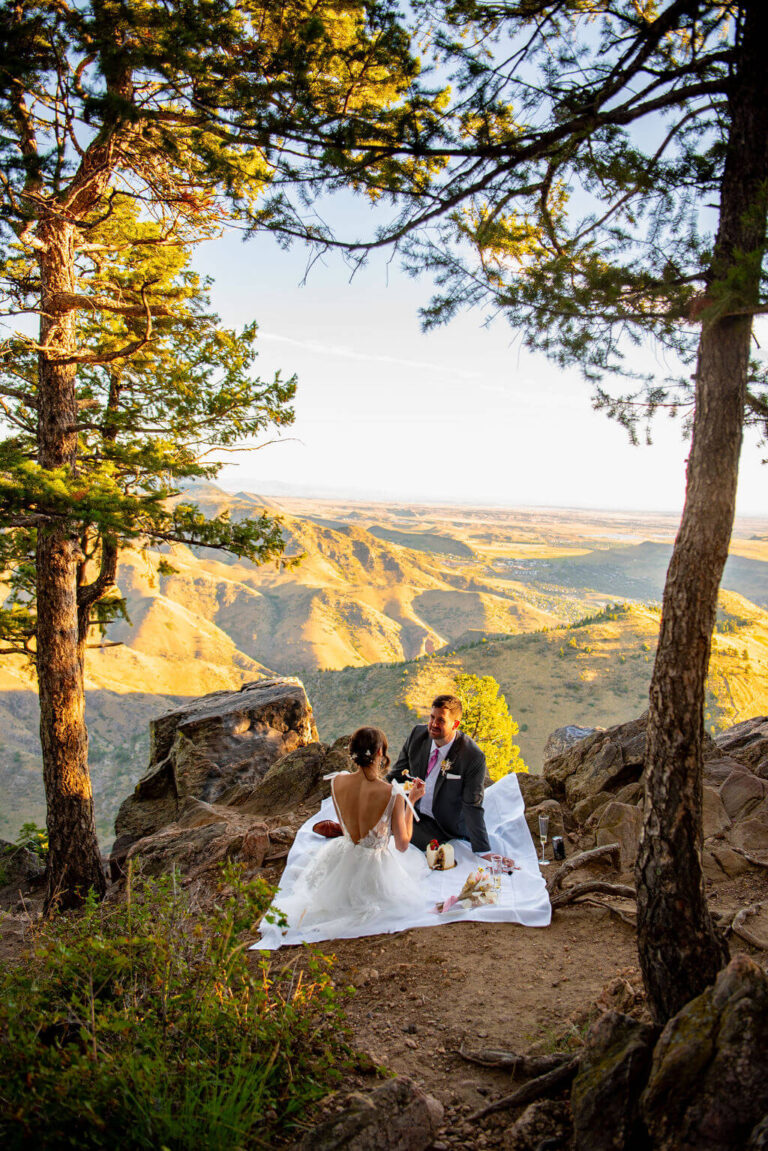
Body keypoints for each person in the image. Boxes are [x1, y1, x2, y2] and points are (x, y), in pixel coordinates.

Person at [265, 726, 429, 942]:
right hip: (375, 869)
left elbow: (347, 824)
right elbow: (402, 844)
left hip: (343, 858)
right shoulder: (392, 793)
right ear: (380, 752)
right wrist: (412, 802)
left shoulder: (337, 781)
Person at [389, 694, 505, 864]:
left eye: (441, 720)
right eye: (432, 717)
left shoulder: (472, 756)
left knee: (399, 847)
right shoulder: (417, 735)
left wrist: (483, 851)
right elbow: (395, 776)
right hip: (411, 811)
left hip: (443, 826)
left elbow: (472, 804)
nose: (433, 724)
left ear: (455, 724)